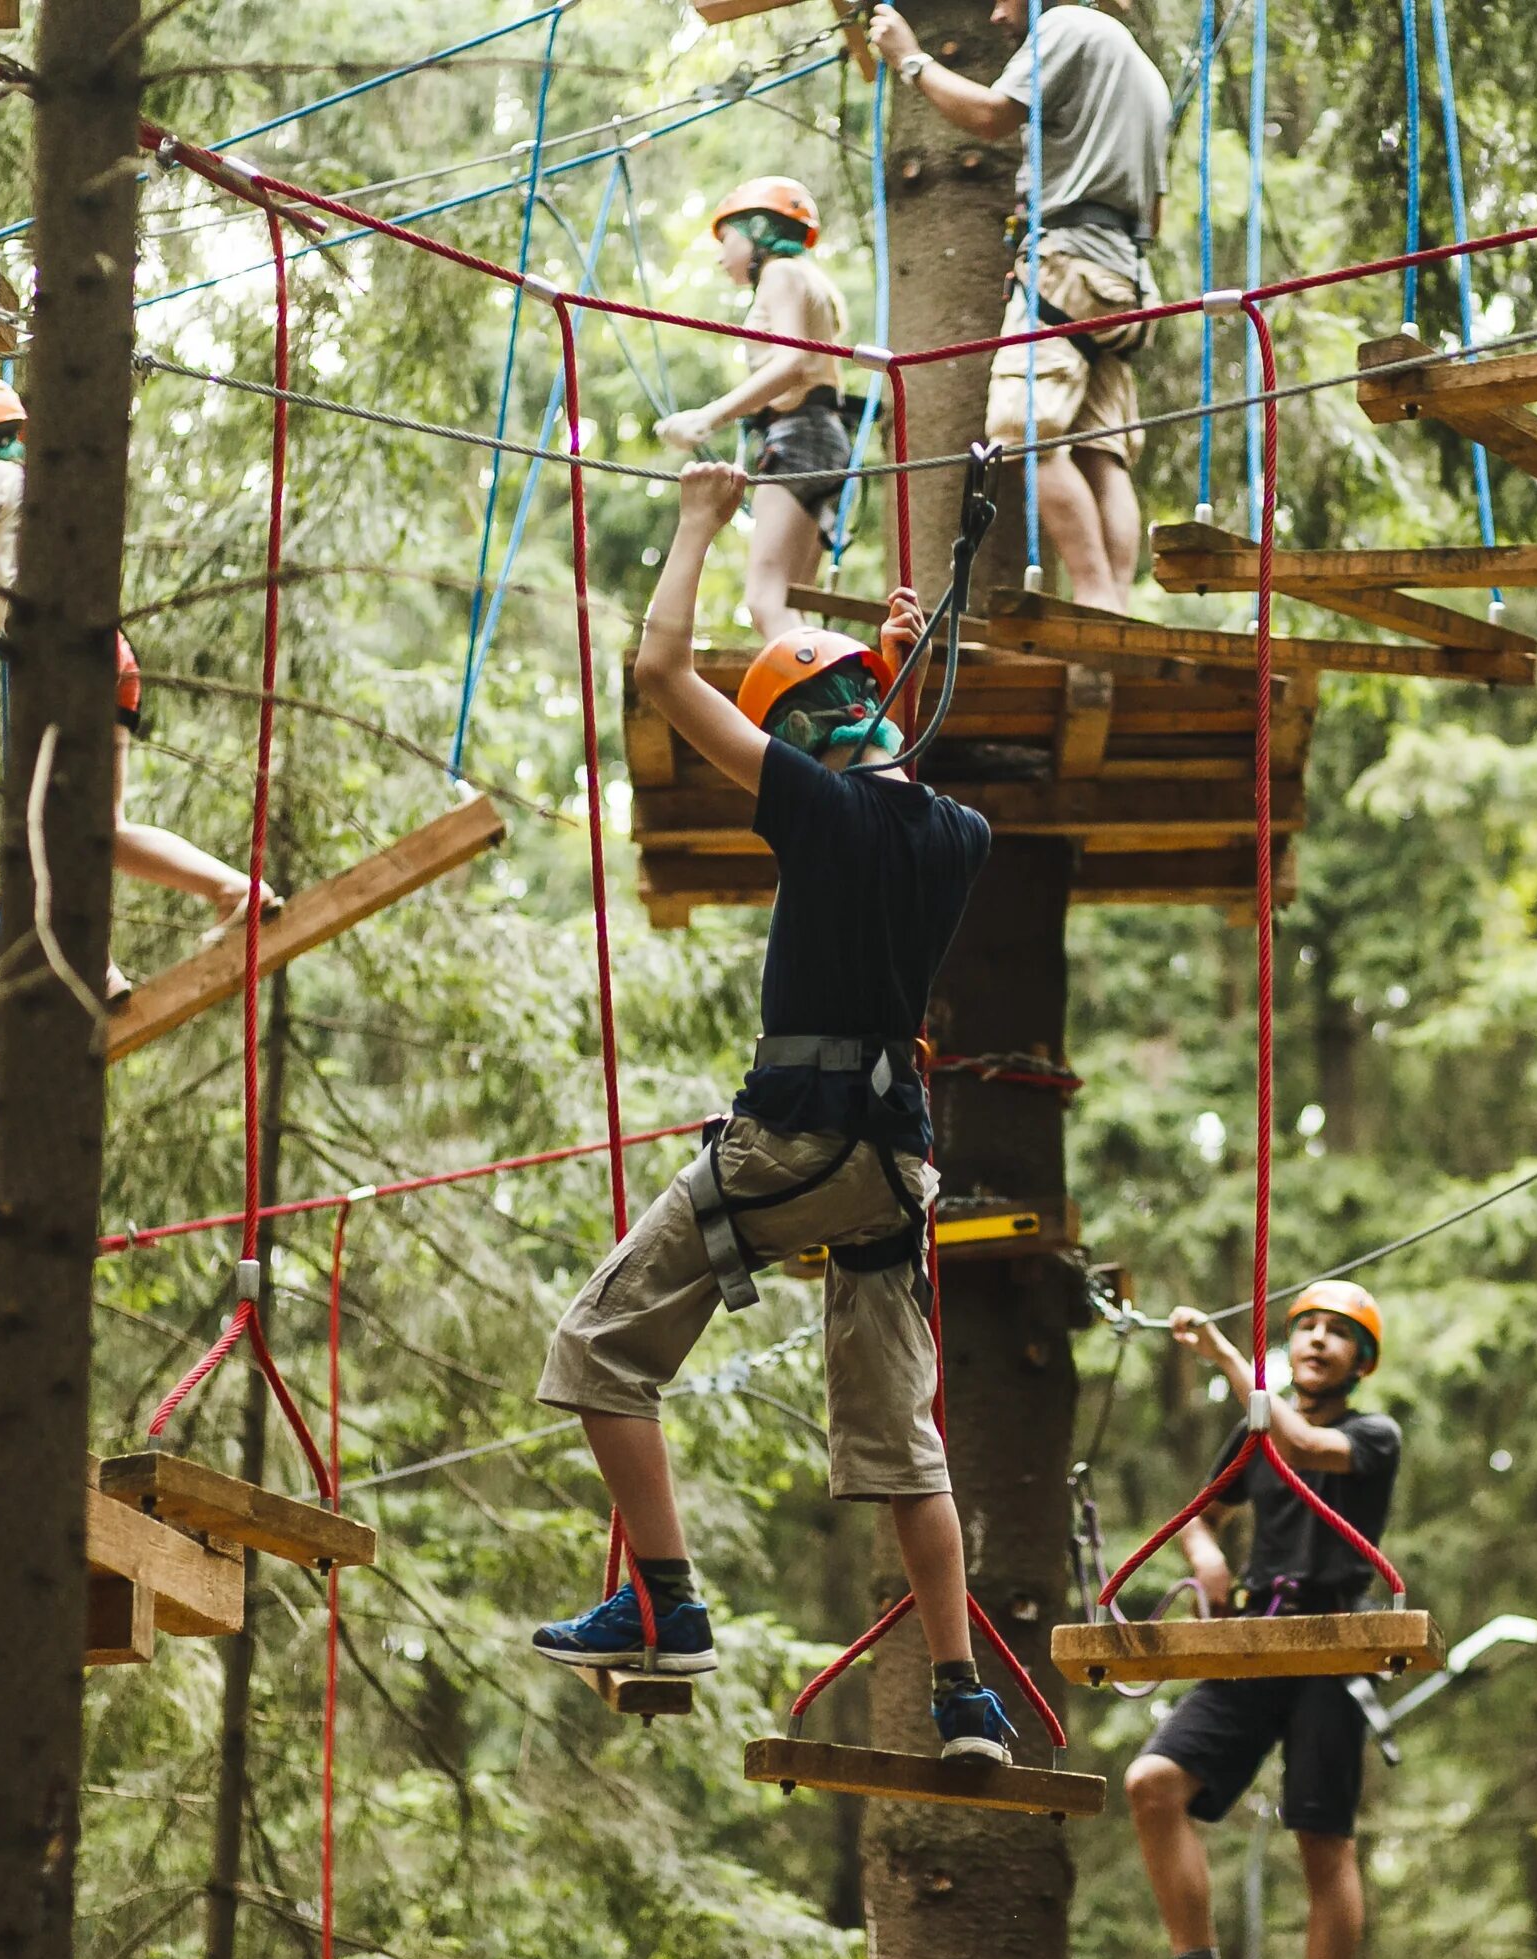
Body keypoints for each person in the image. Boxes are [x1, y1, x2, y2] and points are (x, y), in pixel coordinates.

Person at [531, 461, 1014, 1763]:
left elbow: (664, 677)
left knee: (600, 1353)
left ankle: (666, 1601)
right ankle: (965, 1698)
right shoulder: (957, 833)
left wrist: (698, 521)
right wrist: (894, 666)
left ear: (796, 740)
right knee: (906, 1452)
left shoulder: (811, 807)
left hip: (785, 1144)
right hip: (892, 1171)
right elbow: (884, 767)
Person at [0, 377, 277, 1001]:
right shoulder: (31, 495)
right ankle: (235, 892)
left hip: (69, 671)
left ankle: (93, 968)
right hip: (104, 660)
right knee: (104, 829)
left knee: (46, 826)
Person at [1124, 1281, 1402, 1959]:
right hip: (1256, 1640)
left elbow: (1305, 1444)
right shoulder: (1255, 1435)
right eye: (1304, 1326)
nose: (1316, 1340)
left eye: (1336, 1333)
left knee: (1322, 1842)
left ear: (1361, 1361)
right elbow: (1196, 1514)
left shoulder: (1374, 1436)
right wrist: (1206, 1557)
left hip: (1336, 1642)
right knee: (1153, 1785)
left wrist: (1220, 1351)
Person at [866, 0, 1167, 613]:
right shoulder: (1143, 71)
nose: (998, 17)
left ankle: (1094, 599)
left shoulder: (1063, 26)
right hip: (1124, 276)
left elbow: (992, 116)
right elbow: (1155, 211)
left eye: (1003, 0)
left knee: (1021, 432)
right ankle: (1115, 605)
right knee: (1100, 449)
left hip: (1066, 265)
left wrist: (910, 59)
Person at [656, 178, 857, 641]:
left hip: (799, 432)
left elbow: (791, 362)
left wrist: (708, 416)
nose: (720, 254)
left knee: (765, 599)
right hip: (821, 435)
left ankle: (809, 703)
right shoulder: (806, 280)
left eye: (727, 239)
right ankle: (821, 706)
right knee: (789, 600)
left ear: (759, 230)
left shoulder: (781, 273)